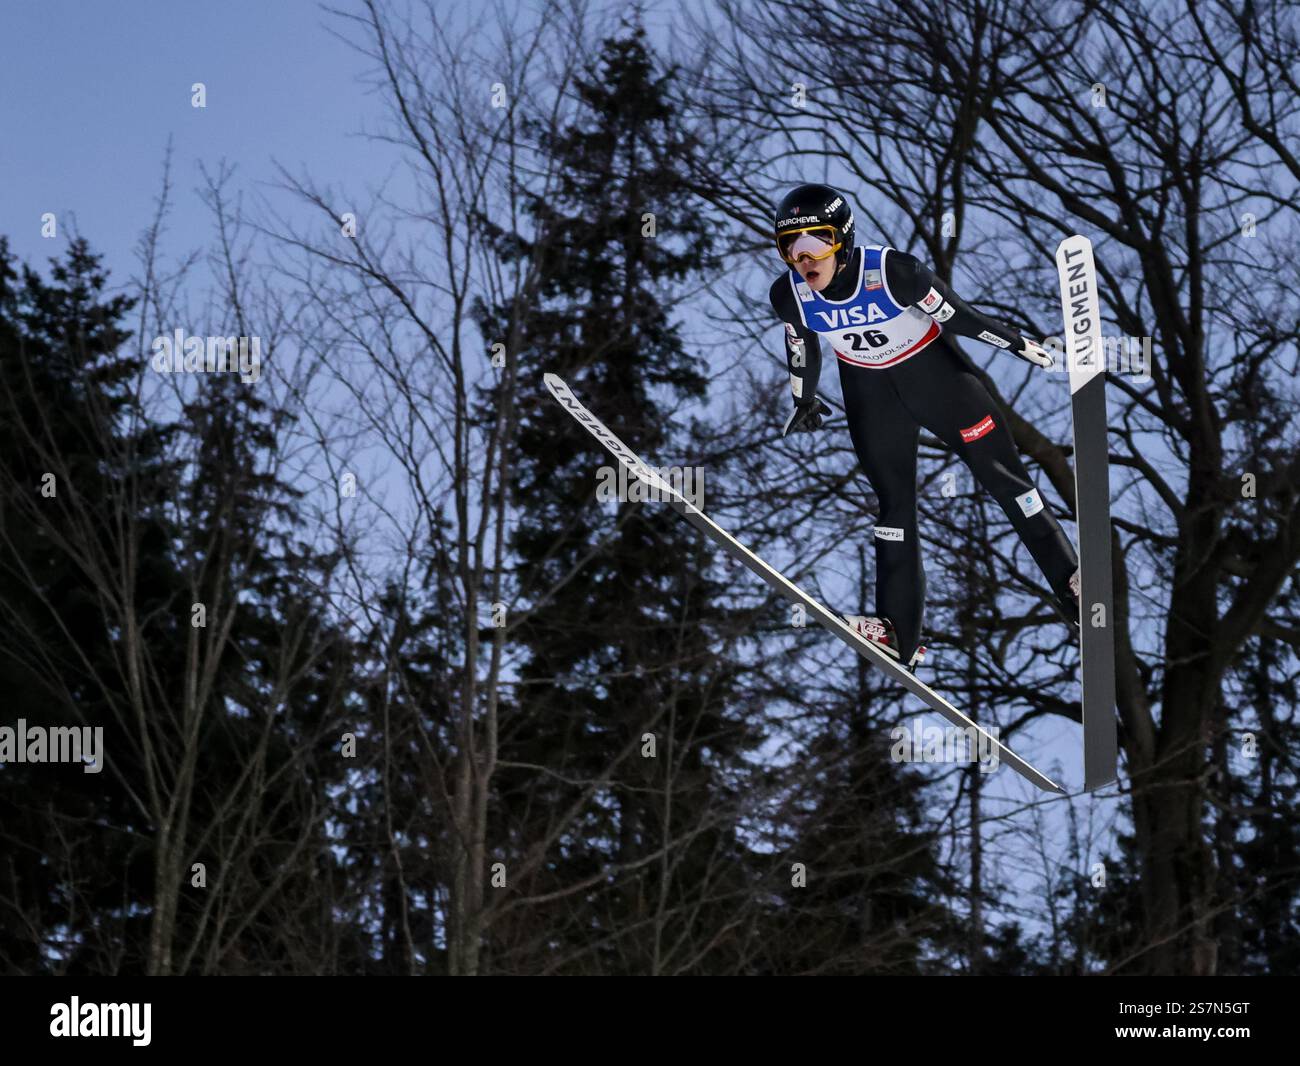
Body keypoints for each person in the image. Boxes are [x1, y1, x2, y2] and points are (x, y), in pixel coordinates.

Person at [769, 182, 1080, 667]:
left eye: (816, 243)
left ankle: (1072, 584)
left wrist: (1018, 344)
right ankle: (899, 635)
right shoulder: (789, 294)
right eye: (791, 248)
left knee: (1004, 480)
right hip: (872, 396)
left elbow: (961, 317)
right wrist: (803, 398)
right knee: (892, 509)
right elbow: (802, 345)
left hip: (937, 381)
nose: (804, 258)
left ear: (843, 242)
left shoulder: (895, 273)